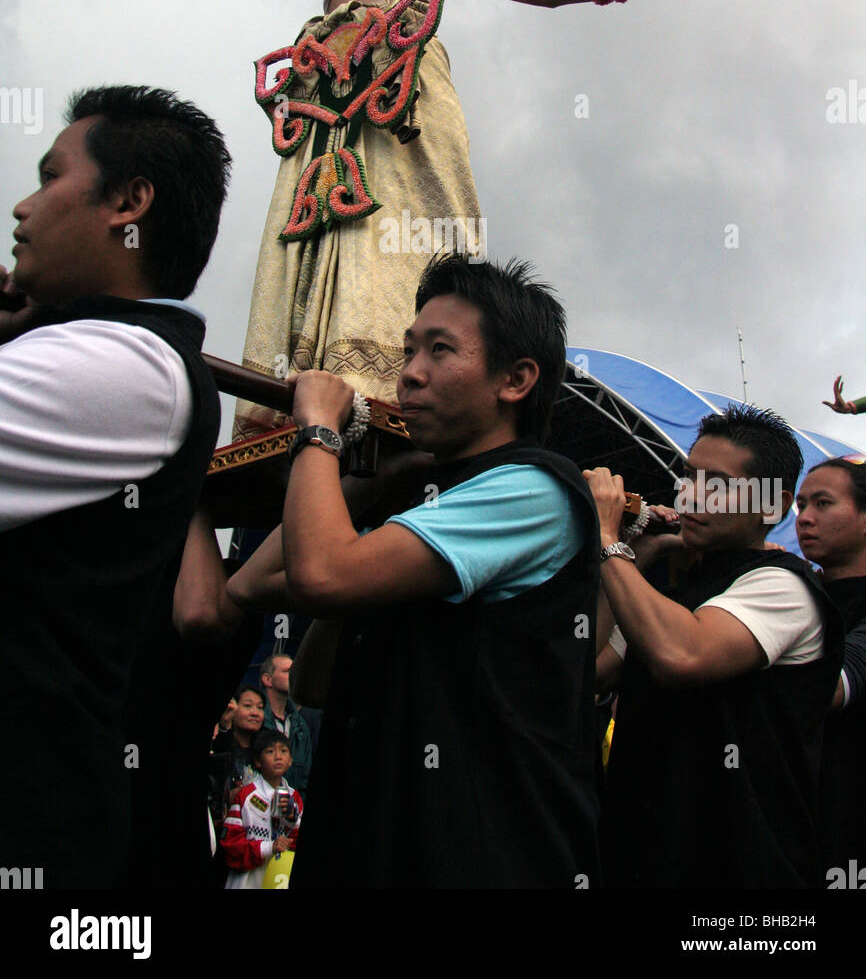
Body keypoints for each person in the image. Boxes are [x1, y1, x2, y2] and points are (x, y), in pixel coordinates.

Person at [149, 0, 687, 423]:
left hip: (405, 78)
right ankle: (304, 375)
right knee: (319, 216)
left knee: (411, 207)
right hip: (325, 88)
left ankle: (398, 364)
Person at [228, 252, 602, 888]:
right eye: (408, 352)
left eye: (439, 351)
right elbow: (253, 586)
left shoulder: (533, 490)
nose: (409, 377)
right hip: (370, 845)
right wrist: (369, 483)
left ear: (515, 380)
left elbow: (319, 575)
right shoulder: (425, 500)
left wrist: (319, 431)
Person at [0, 84, 231, 888]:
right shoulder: (80, 346)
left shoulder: (127, 363)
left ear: (129, 202)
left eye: (48, 176)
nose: (22, 209)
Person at [588, 404, 843, 889]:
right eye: (689, 475)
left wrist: (606, 539)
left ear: (773, 503)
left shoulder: (782, 587)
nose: (691, 494)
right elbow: (590, 671)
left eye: (718, 484)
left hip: (740, 873)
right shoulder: (669, 587)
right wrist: (638, 556)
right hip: (642, 857)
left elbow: (681, 655)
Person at [796, 458, 866, 879]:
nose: (805, 518)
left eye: (823, 503)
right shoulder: (795, 590)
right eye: (801, 505)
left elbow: (834, 686)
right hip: (796, 826)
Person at [221, 729, 303, 890]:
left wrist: (293, 820)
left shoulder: (295, 798)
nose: (278, 756)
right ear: (258, 761)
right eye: (270, 751)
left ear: (291, 760)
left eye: (283, 751)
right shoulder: (246, 795)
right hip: (248, 879)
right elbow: (230, 847)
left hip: (281, 877)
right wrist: (268, 848)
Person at [259, 652, 313, 795]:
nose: (294, 676)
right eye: (288, 671)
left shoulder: (300, 726)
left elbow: (306, 777)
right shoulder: (256, 720)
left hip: (293, 810)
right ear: (268, 679)